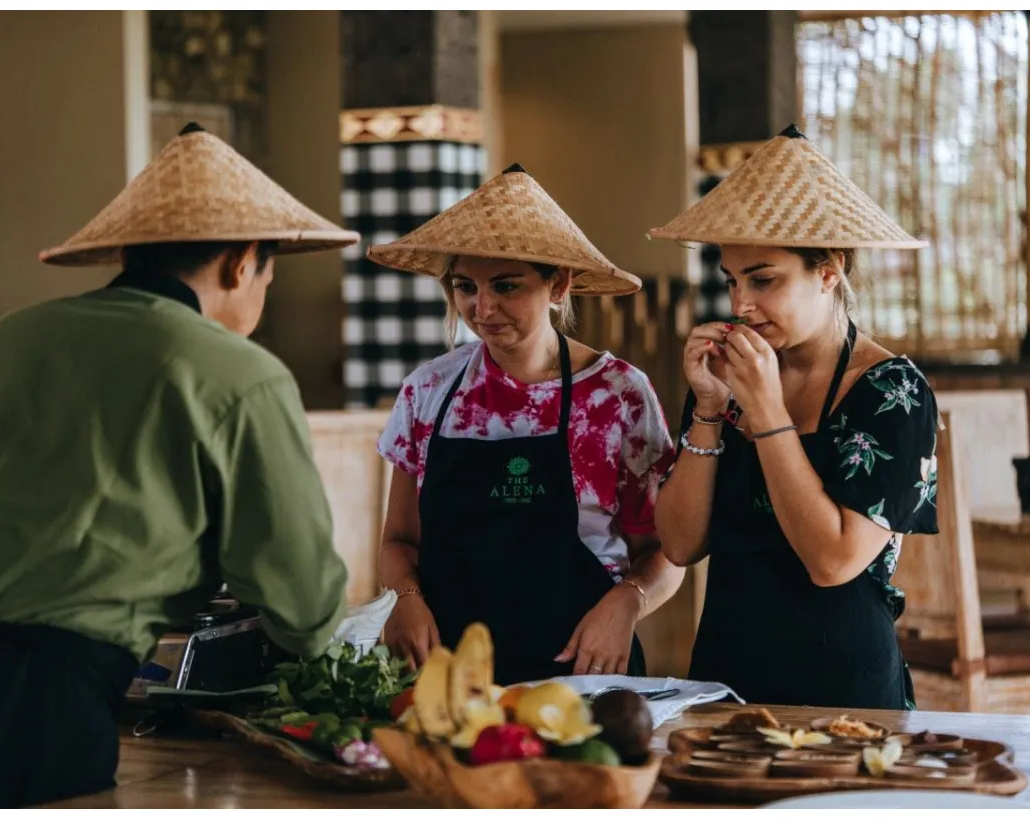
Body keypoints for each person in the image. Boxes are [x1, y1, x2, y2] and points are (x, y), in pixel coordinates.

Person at [0, 124, 357, 807]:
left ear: (128, 251)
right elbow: (301, 601)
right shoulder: (242, 375)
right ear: (243, 263)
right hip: (25, 722)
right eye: (270, 272)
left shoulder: (2, 340)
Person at [649, 125, 939, 709]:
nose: (739, 305)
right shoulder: (729, 377)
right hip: (722, 688)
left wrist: (766, 412)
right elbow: (680, 545)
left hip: (847, 694)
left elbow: (833, 561)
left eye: (763, 279)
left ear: (828, 271)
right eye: (731, 280)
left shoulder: (893, 391)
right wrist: (708, 407)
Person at [368, 163, 686, 686]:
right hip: (446, 677)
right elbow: (399, 540)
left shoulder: (618, 395)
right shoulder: (428, 391)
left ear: (558, 284)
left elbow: (665, 553)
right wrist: (404, 598)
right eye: (465, 286)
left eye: (506, 286)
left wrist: (627, 605)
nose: (482, 307)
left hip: (579, 677)